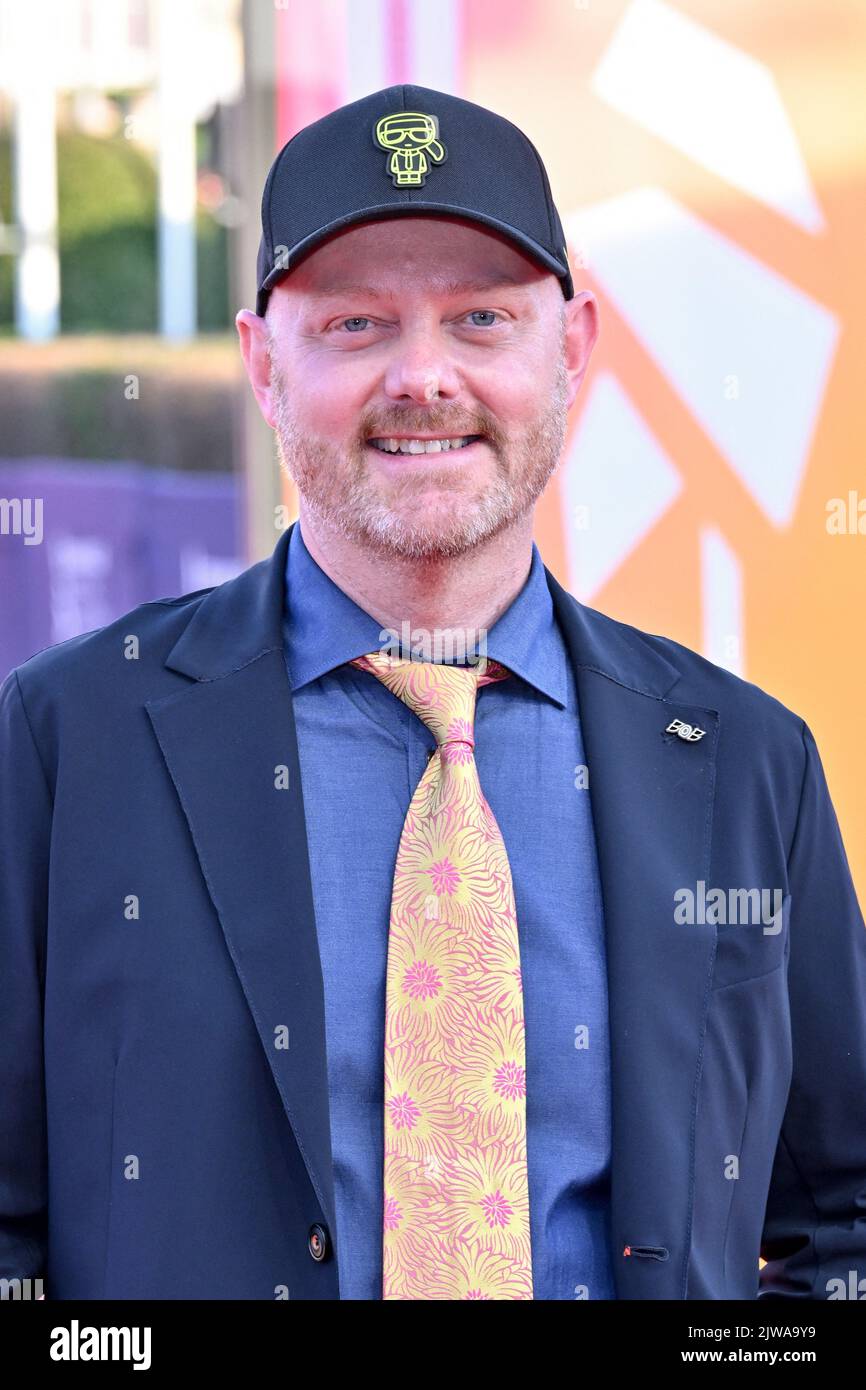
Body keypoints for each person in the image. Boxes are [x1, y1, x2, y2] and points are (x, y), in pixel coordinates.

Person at [1, 85, 864, 1302]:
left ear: (568, 349)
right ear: (262, 362)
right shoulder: (66, 740)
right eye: (355, 325)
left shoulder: (743, 761)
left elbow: (846, 1217)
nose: (422, 377)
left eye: (480, 319)